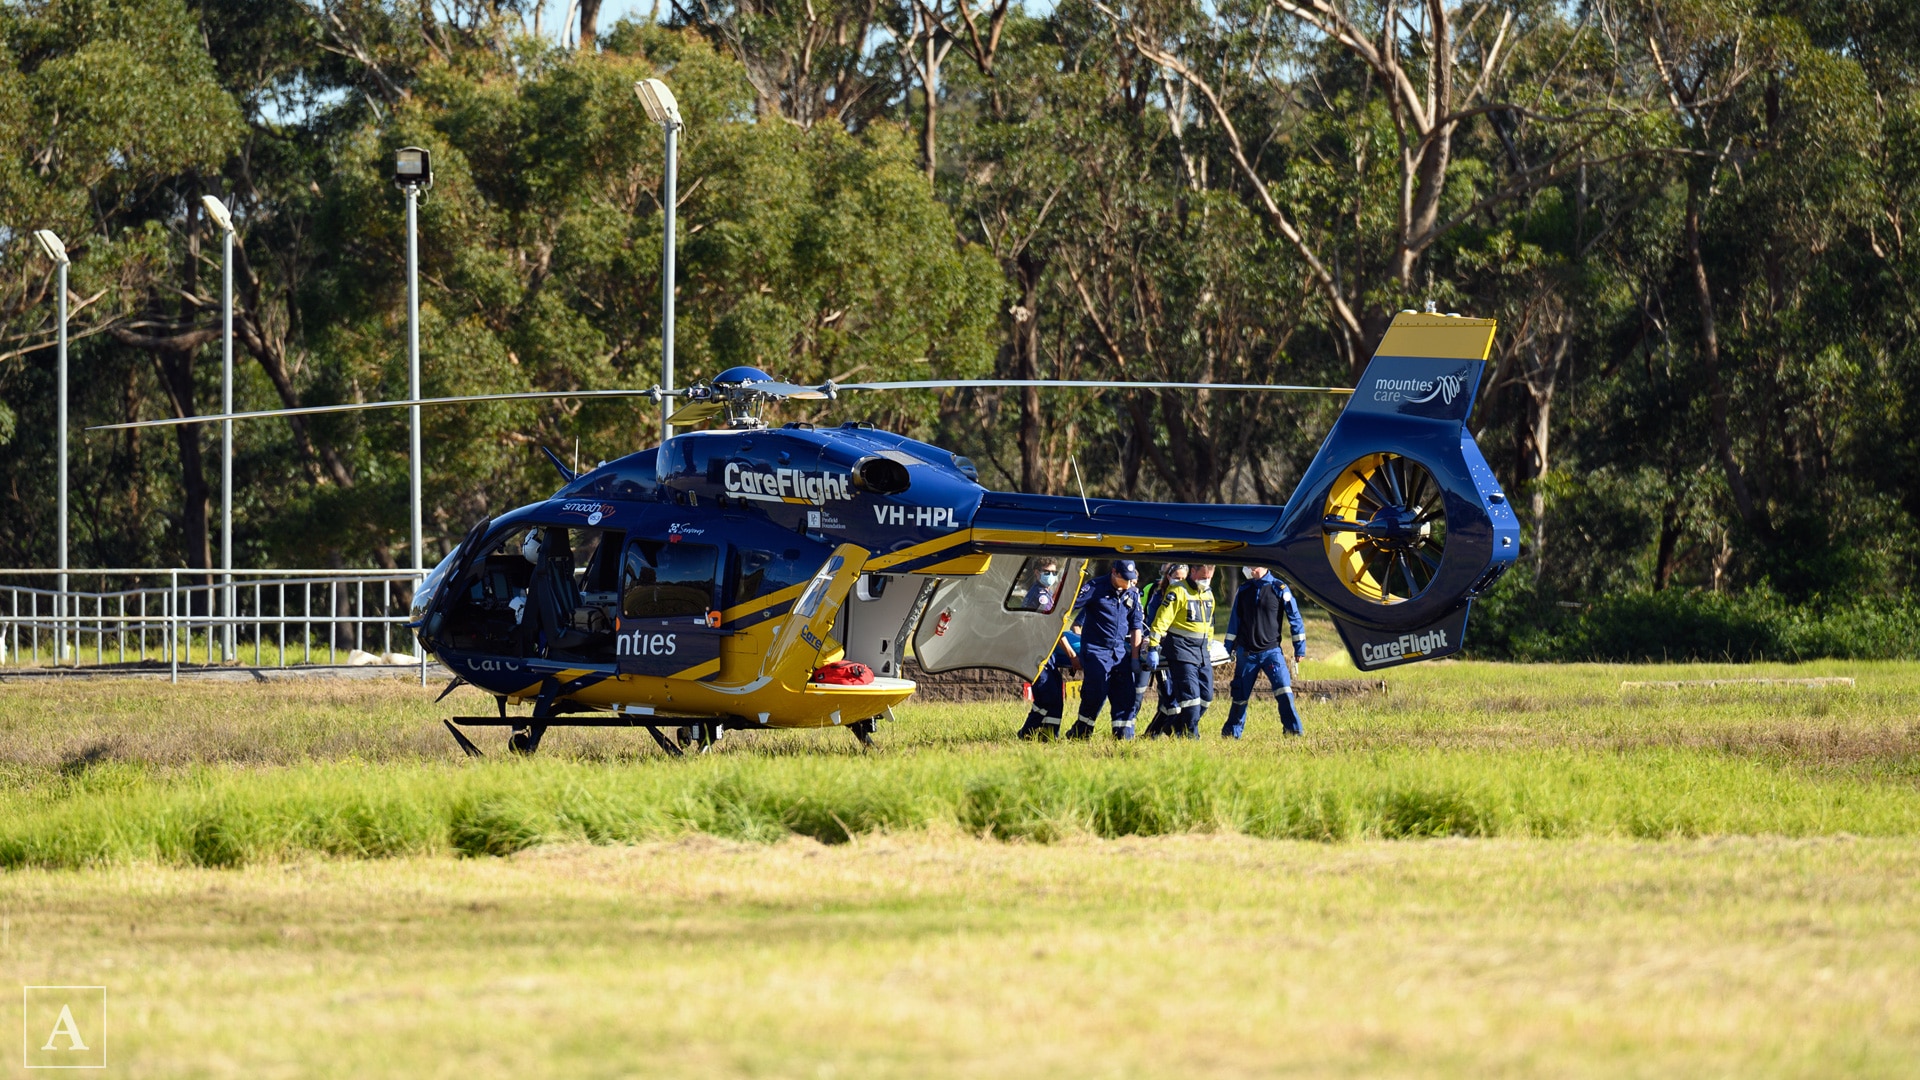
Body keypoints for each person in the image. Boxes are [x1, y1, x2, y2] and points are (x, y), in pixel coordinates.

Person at [1222, 565, 1307, 738]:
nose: (1247, 569)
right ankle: (1231, 734)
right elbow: (1234, 622)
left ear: (1262, 566)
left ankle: (1293, 732)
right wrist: (1227, 648)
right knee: (1240, 697)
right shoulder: (1244, 590)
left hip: (1272, 653)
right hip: (1246, 654)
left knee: (1284, 692)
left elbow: (1295, 618)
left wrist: (1300, 648)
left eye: (1250, 565)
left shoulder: (1279, 588)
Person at [1065, 559, 1144, 739]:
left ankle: (1124, 736)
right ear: (1114, 573)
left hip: (1120, 652)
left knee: (1126, 695)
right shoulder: (1095, 587)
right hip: (1096, 649)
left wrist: (1134, 657)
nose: (1129, 583)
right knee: (1096, 691)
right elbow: (1067, 607)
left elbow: (1136, 626)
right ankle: (1080, 733)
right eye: (1125, 579)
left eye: (1131, 579)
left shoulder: (1131, 593)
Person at [1144, 564, 1217, 738]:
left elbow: (1210, 624)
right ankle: (1190, 738)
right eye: (1203, 577)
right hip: (1181, 650)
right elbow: (1161, 621)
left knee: (1206, 698)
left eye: (1209, 577)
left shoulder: (1208, 593)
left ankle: (1173, 727)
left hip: (1202, 653)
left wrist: (1208, 647)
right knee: (1190, 701)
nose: (1205, 580)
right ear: (1193, 572)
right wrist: (1153, 646)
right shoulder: (1177, 592)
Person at [1139, 564, 1187, 736]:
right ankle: (1174, 732)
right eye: (1177, 577)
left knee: (1174, 696)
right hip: (1161, 650)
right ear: (1168, 576)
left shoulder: (1189, 595)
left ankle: (1153, 733)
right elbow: (1152, 622)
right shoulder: (1158, 596)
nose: (1180, 581)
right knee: (1168, 694)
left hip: (1181, 650)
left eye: (1183, 578)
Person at [1016, 629, 1079, 740]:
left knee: (1054, 694)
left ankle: (1048, 735)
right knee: (1047, 695)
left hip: (1047, 654)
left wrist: (1071, 660)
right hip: (1036, 652)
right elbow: (1056, 631)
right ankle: (1026, 732)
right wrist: (1072, 657)